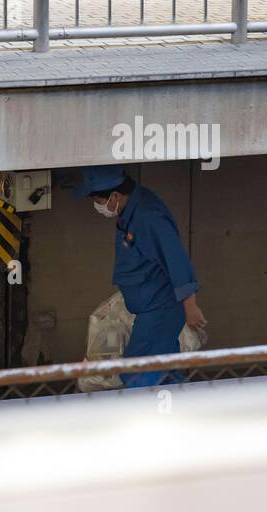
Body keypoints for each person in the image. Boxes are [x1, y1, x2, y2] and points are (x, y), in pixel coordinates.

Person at [76, 165, 205, 388]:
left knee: (138, 374)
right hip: (150, 307)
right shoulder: (132, 211)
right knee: (166, 370)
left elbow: (176, 258)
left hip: (160, 310)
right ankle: (181, 408)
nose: (97, 206)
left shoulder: (148, 217)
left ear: (115, 195)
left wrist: (190, 305)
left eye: (98, 200)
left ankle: (148, 417)